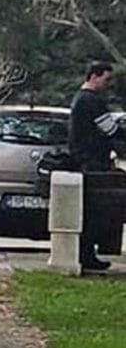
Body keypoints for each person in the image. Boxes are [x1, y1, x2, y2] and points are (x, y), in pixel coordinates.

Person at [68, 61, 119, 272]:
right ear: (94, 76)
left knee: (89, 210)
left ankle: (87, 254)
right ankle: (87, 255)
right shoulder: (90, 101)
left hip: (84, 160)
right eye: (106, 79)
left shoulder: (80, 99)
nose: (107, 84)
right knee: (95, 211)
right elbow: (110, 130)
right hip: (92, 163)